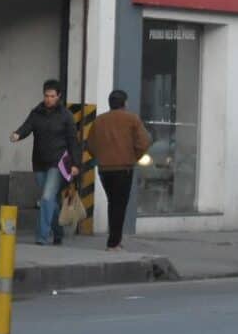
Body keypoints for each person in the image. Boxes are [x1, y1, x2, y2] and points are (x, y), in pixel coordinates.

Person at [10, 79, 82, 246]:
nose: (49, 99)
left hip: (58, 164)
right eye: (46, 96)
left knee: (47, 197)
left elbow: (73, 142)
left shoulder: (66, 116)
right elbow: (26, 127)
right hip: (40, 162)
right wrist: (17, 135)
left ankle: (41, 236)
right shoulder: (36, 113)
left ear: (59, 96)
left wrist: (76, 164)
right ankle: (58, 233)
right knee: (51, 201)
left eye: (52, 96)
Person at [85, 89, 151, 251]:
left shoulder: (99, 121)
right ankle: (113, 243)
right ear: (125, 103)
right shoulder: (132, 119)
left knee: (112, 203)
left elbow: (91, 145)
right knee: (119, 205)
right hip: (124, 168)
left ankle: (114, 240)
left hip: (104, 169)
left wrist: (102, 157)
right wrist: (133, 156)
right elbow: (144, 142)